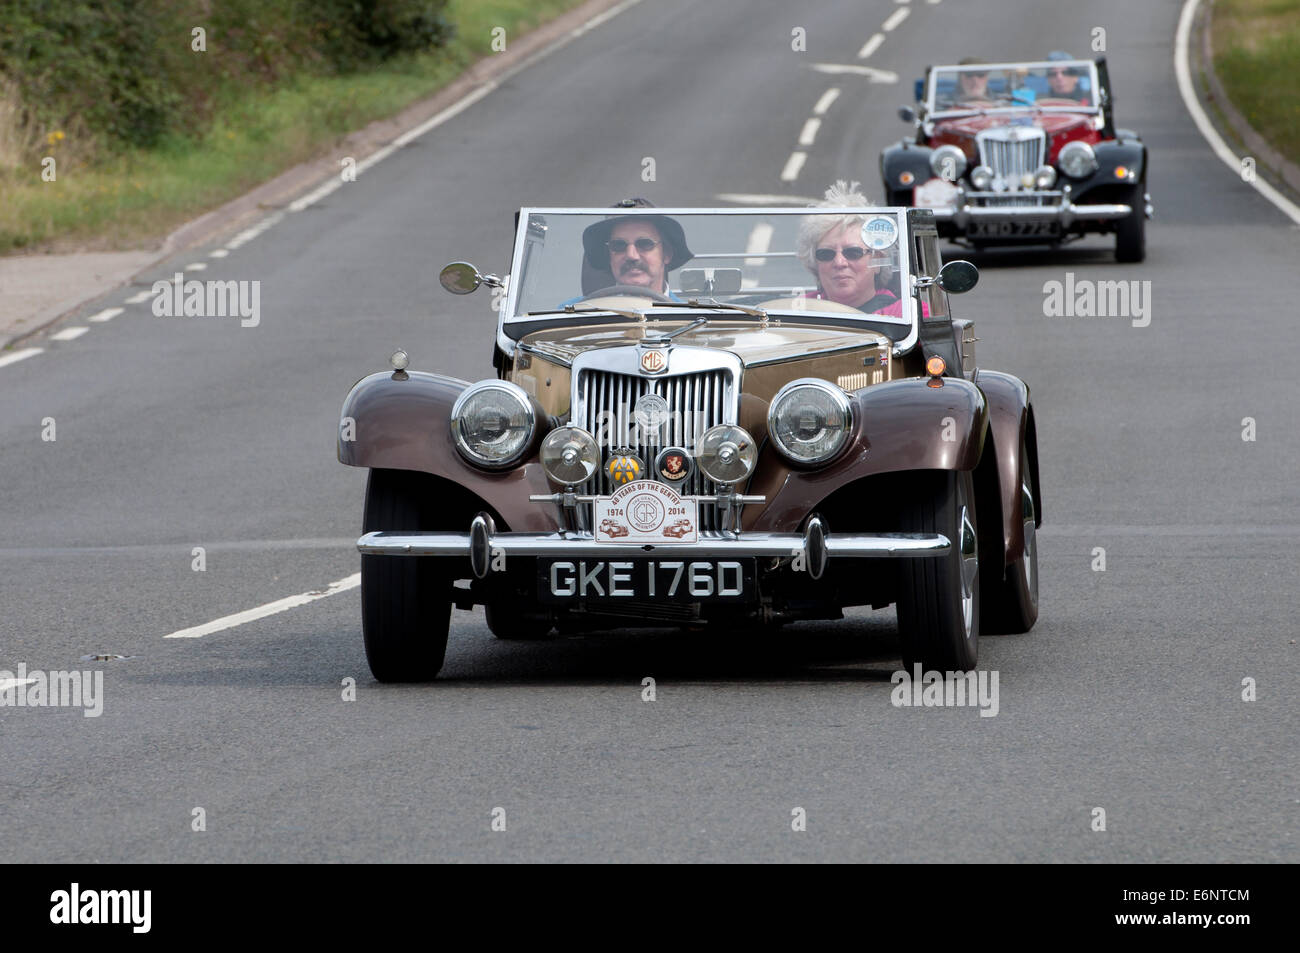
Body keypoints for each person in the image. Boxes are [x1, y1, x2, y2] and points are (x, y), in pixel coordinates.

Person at [796, 181, 907, 316]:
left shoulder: (905, 313)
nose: (839, 263)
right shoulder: (798, 309)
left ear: (877, 260)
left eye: (853, 252)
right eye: (825, 254)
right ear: (815, 263)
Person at [579, 204, 693, 297]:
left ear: (667, 253)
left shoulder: (694, 319)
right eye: (618, 245)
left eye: (645, 244)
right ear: (609, 255)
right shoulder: (573, 315)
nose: (631, 255)